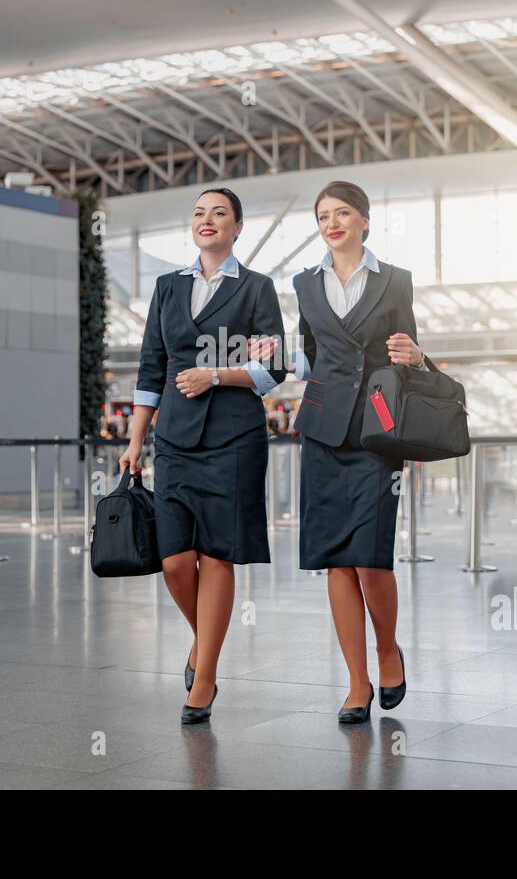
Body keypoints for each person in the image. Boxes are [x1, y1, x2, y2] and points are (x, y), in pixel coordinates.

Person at [119, 187, 286, 724]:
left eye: (219, 213)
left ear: (238, 227)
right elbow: (151, 367)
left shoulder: (256, 289)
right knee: (173, 561)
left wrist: (217, 374)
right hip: (173, 440)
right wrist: (135, 439)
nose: (206, 220)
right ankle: (204, 645)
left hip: (235, 438)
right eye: (198, 213)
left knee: (216, 555)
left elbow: (272, 370)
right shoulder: (168, 287)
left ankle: (205, 675)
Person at [282, 180, 423, 723]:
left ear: (365, 220)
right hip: (322, 431)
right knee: (335, 559)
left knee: (371, 556)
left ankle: (388, 650)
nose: (332, 222)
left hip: (377, 434)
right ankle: (357, 681)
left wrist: (414, 354)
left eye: (342, 213)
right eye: (323, 216)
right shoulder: (304, 283)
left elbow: (405, 352)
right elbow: (313, 351)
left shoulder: (395, 282)